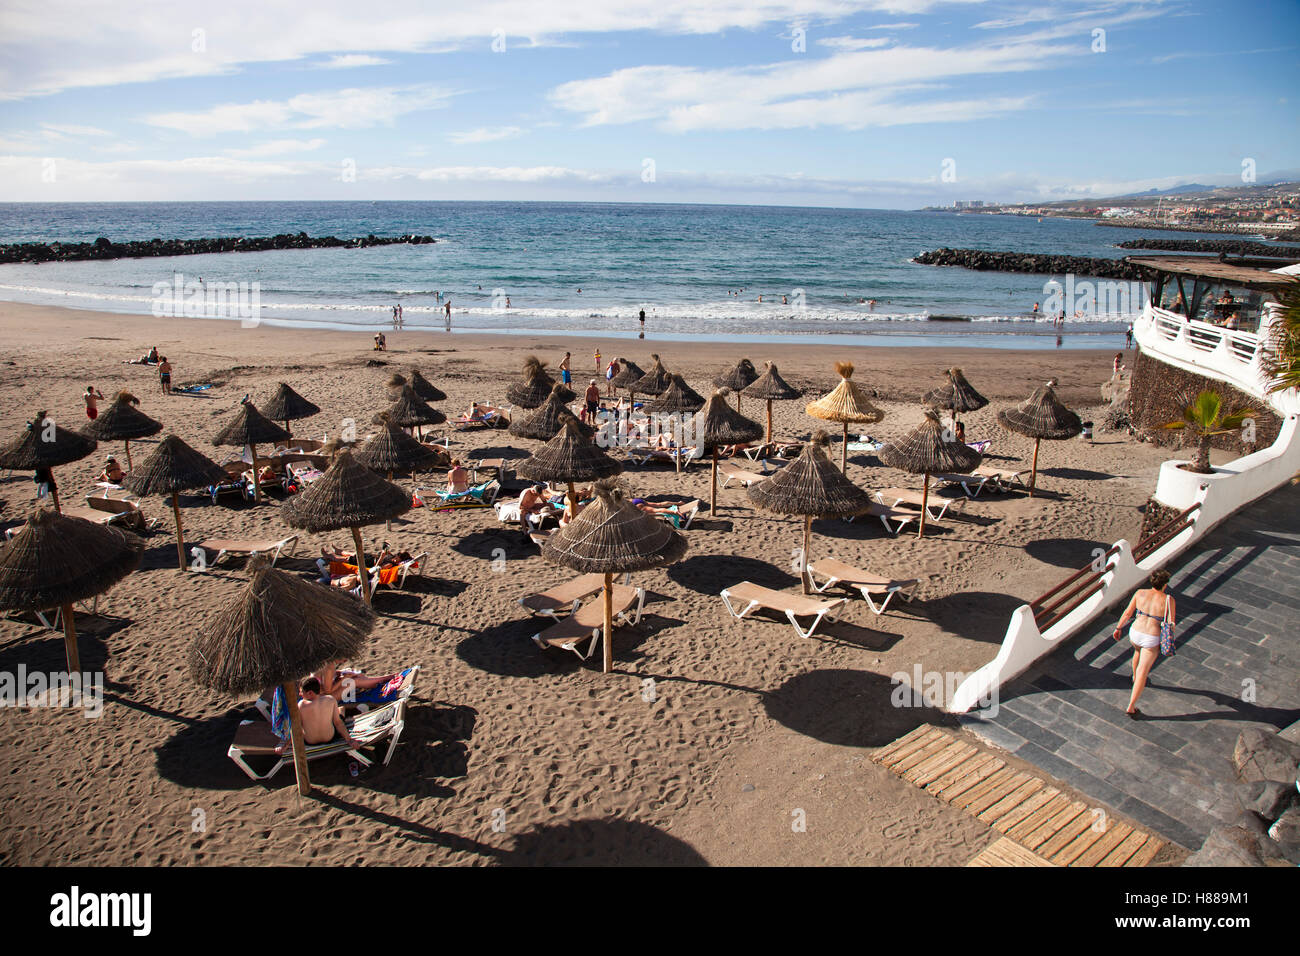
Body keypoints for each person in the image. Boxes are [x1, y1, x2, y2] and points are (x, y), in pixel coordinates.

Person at [1112, 569, 1175, 718]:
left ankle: (1134, 676)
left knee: (1137, 652)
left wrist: (1118, 627)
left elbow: (1128, 613)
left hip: (1135, 633)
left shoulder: (1140, 593)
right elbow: (1171, 622)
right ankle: (1131, 706)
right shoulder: (1168, 600)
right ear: (1165, 584)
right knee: (1143, 672)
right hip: (1151, 638)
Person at [294, 677, 366, 748]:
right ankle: (355, 711)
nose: (300, 694)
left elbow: (297, 727)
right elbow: (338, 723)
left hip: (310, 742)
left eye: (301, 691)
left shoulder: (301, 705)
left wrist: (286, 745)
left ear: (310, 693)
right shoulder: (330, 699)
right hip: (329, 739)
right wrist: (349, 740)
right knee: (341, 710)